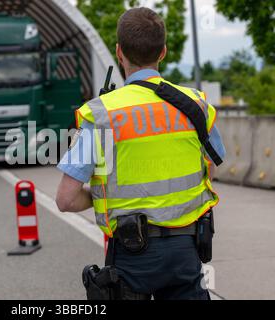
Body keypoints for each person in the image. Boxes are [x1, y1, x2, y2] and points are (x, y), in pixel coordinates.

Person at [55, 7, 226, 300]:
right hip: (187, 248)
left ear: (119, 52)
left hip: (132, 253)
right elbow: (211, 167)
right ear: (163, 52)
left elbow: (66, 199)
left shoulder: (101, 114)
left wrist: (104, 195)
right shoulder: (195, 104)